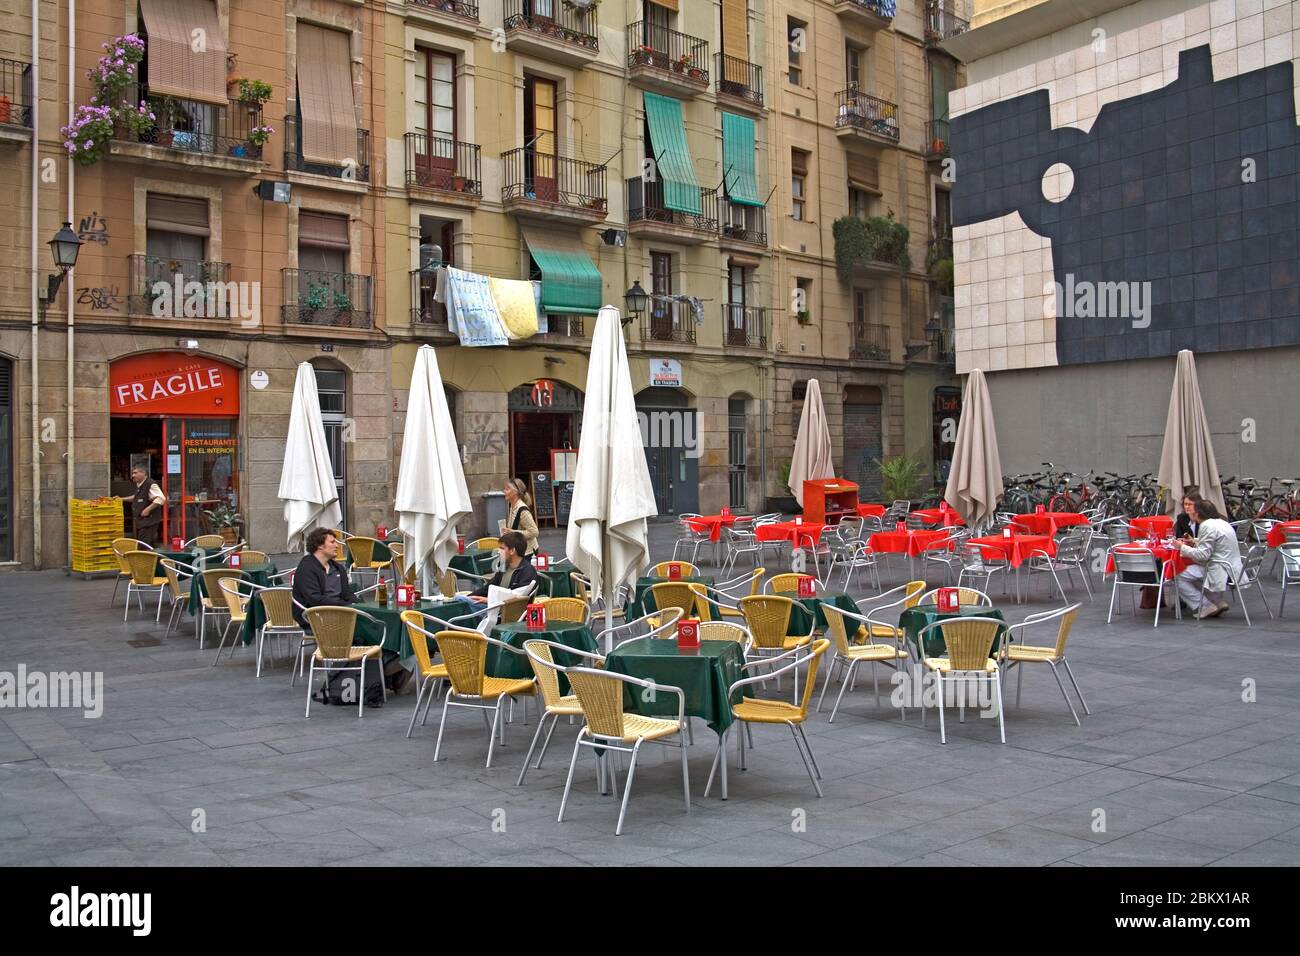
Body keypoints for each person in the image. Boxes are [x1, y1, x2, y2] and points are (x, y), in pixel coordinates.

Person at [1175, 500, 1244, 619]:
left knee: (1175, 575)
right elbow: (1216, 542)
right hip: (1233, 567)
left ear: (1197, 514)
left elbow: (1202, 556)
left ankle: (1204, 605)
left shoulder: (1206, 526)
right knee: (1192, 574)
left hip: (1220, 568)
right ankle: (1217, 601)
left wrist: (1182, 547)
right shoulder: (1222, 523)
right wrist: (1195, 541)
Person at [291, 527, 359, 626]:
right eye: (332, 542)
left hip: (341, 613)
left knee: (371, 619)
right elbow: (315, 599)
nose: (337, 546)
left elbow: (347, 593)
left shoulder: (338, 568)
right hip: (314, 616)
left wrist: (359, 604)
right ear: (320, 546)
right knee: (363, 627)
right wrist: (345, 606)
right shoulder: (306, 568)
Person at [468, 530, 538, 603]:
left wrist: (488, 600)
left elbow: (517, 599)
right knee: (461, 600)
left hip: (504, 611)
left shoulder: (527, 572)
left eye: (502, 548)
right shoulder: (504, 567)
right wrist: (469, 597)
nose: (498, 551)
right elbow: (488, 588)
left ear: (512, 551)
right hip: (491, 606)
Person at [121, 466, 166, 546]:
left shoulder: (151, 484)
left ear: (143, 473)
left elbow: (161, 498)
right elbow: (136, 497)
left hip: (149, 522)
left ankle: (144, 558)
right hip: (143, 522)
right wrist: (122, 499)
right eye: (132, 473)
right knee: (146, 545)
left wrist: (147, 509)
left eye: (135, 473)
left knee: (143, 546)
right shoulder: (140, 485)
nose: (133, 476)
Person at [502, 477, 539, 556]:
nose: (504, 491)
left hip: (528, 553)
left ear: (515, 492)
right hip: (520, 551)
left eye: (507, 489)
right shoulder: (513, 505)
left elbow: (534, 532)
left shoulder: (523, 510)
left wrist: (513, 532)